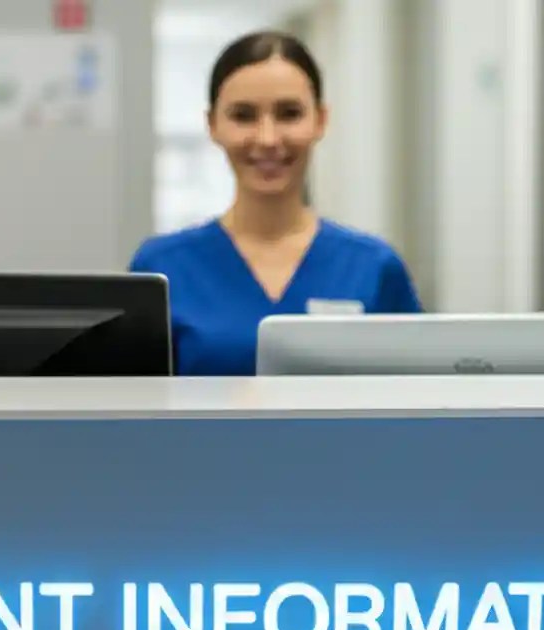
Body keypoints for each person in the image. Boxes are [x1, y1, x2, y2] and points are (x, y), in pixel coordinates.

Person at [130, 31, 422, 376]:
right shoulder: (161, 270)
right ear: (212, 125)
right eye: (243, 116)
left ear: (321, 120)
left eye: (288, 113)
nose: (268, 139)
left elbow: (416, 407)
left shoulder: (373, 268)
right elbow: (130, 415)